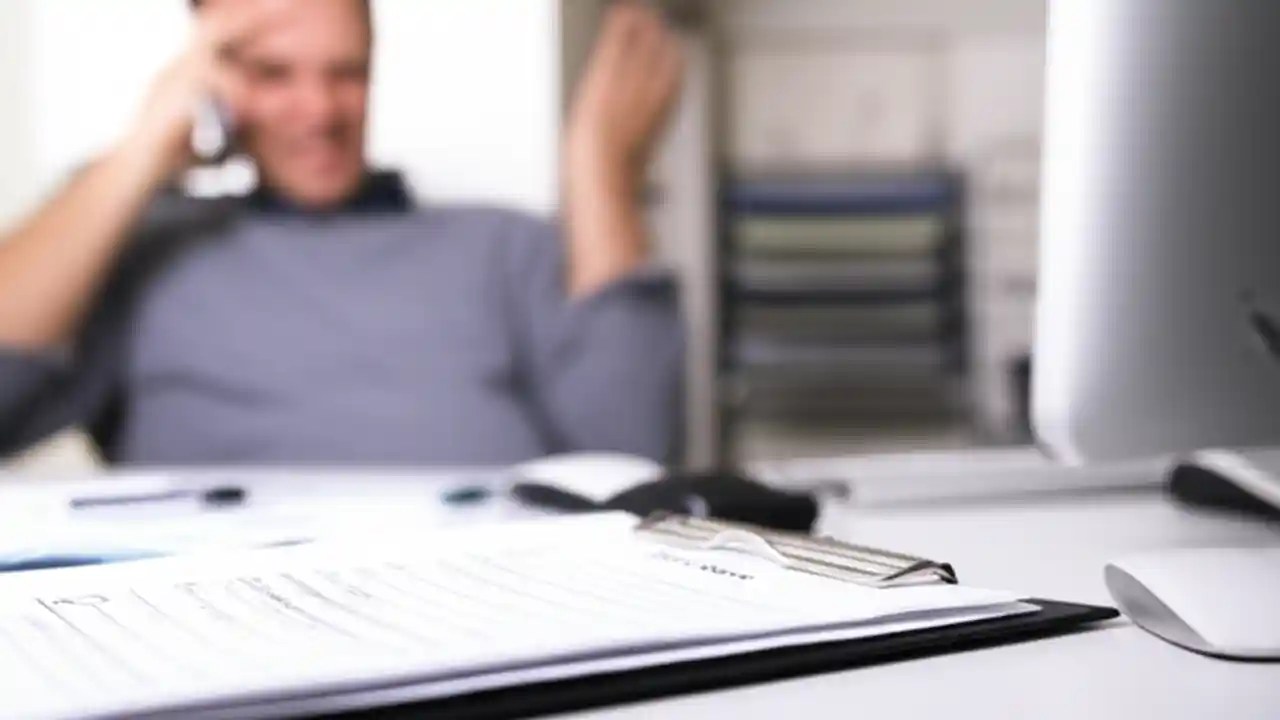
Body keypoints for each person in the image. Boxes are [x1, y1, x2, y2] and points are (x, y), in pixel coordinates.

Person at [0, 0, 685, 466]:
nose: (320, 110)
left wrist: (601, 170)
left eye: (346, 73)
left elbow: (630, 469)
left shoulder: (506, 248)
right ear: (204, 77)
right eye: (273, 73)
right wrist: (139, 153)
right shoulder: (138, 251)